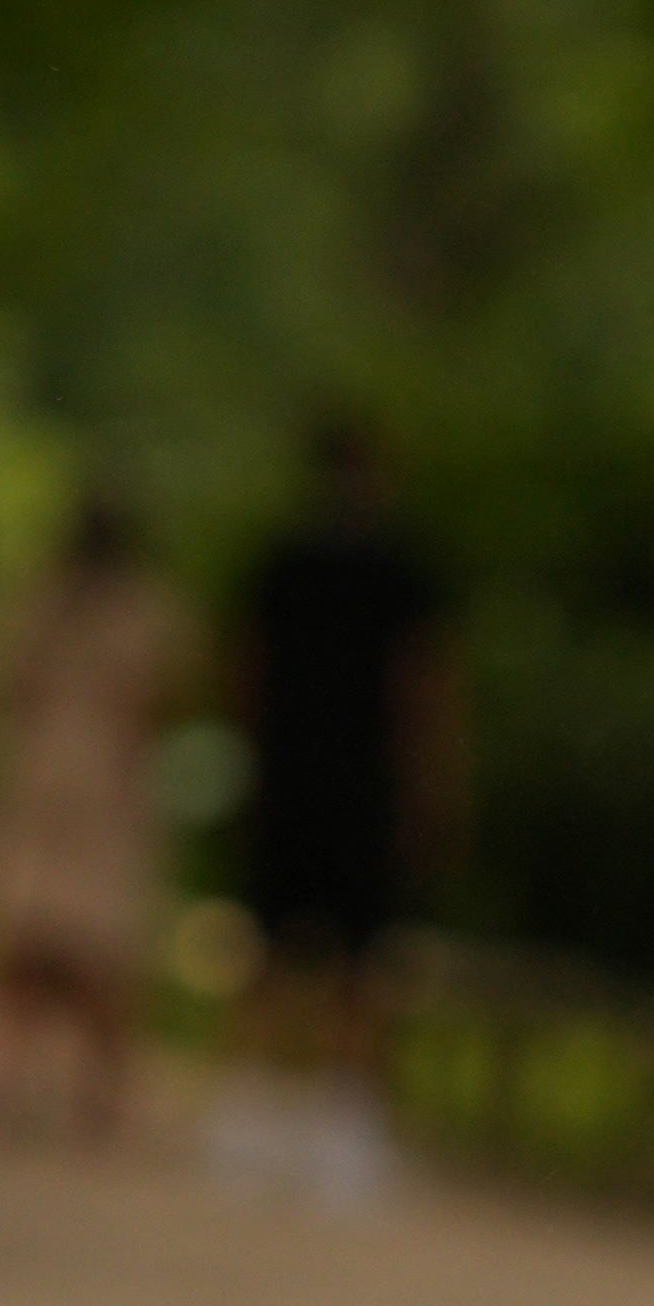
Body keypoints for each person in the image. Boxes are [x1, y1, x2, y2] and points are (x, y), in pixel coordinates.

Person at [216, 411, 455, 1206]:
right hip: (358, 785)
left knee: (277, 951)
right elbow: (425, 685)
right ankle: (336, 1135)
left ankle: (254, 1121)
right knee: (357, 963)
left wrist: (252, 759)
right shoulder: (400, 568)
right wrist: (430, 786)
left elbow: (244, 670)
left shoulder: (287, 559)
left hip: (293, 777)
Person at [0, 479, 190, 1146]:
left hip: (38, 771)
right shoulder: (143, 612)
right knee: (102, 943)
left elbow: (6, 685)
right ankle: (98, 1091)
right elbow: (153, 703)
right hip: (109, 780)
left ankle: (2, 1074)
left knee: (24, 932)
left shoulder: (40, 600)